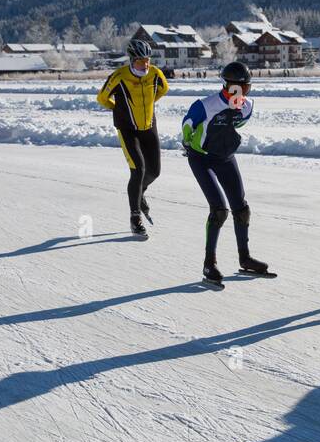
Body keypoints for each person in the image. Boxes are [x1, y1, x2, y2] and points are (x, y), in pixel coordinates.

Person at [181, 61, 270, 286]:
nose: (241, 92)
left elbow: (237, 124)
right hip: (201, 159)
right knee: (219, 210)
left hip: (225, 158)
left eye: (245, 88)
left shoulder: (248, 106)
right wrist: (189, 143)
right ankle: (209, 263)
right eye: (236, 88)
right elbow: (187, 125)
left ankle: (245, 258)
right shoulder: (205, 105)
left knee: (241, 209)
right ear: (226, 86)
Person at [97, 38, 169, 239]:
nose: (145, 64)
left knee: (154, 171)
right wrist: (118, 110)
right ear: (131, 59)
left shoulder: (155, 73)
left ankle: (140, 194)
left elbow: (164, 89)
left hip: (148, 126)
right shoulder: (119, 76)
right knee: (138, 169)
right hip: (128, 129)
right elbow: (102, 98)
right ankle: (135, 217)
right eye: (140, 60)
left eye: (147, 59)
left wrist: (149, 106)